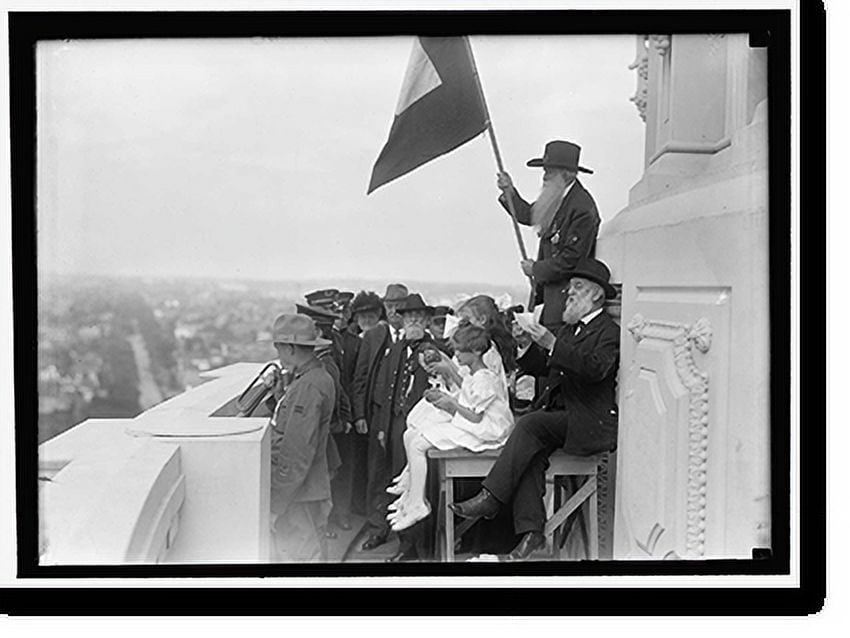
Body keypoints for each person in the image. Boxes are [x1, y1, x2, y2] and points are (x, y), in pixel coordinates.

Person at [449, 257, 620, 561]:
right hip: (563, 417)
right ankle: (531, 534)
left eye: (577, 287)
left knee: (529, 425)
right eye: (569, 287)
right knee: (529, 451)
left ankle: (491, 498)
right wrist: (527, 346)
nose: (568, 292)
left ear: (596, 294)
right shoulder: (571, 330)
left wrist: (554, 344)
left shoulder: (607, 332)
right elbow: (548, 366)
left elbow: (595, 370)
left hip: (588, 422)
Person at [386, 325, 514, 532]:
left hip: (488, 430)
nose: (456, 355)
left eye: (460, 351)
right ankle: (410, 493)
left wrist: (450, 404)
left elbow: (475, 415)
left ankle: (417, 502)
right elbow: (467, 399)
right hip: (475, 425)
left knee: (418, 444)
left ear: (476, 352)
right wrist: (447, 401)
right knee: (411, 434)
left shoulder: (486, 379)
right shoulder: (474, 375)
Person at [359, 292, 436, 555]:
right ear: (401, 321)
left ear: (426, 321)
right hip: (393, 424)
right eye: (409, 317)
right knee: (391, 478)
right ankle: (395, 536)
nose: (413, 321)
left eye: (419, 317)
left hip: (419, 427)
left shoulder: (434, 351)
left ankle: (417, 544)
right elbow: (385, 393)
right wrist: (381, 428)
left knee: (417, 483)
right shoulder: (395, 350)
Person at [497, 140, 601, 333]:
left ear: (566, 174)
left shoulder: (582, 207)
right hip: (546, 298)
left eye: (549, 172)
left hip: (565, 302)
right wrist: (509, 191)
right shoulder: (558, 198)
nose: (544, 177)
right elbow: (530, 215)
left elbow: (572, 259)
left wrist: (536, 268)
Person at [266, 313, 336, 562]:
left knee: (303, 558)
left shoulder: (307, 387)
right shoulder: (313, 378)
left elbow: (296, 452)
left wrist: (277, 503)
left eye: (280, 349)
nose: (279, 356)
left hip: (299, 493)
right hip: (306, 488)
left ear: (291, 348)